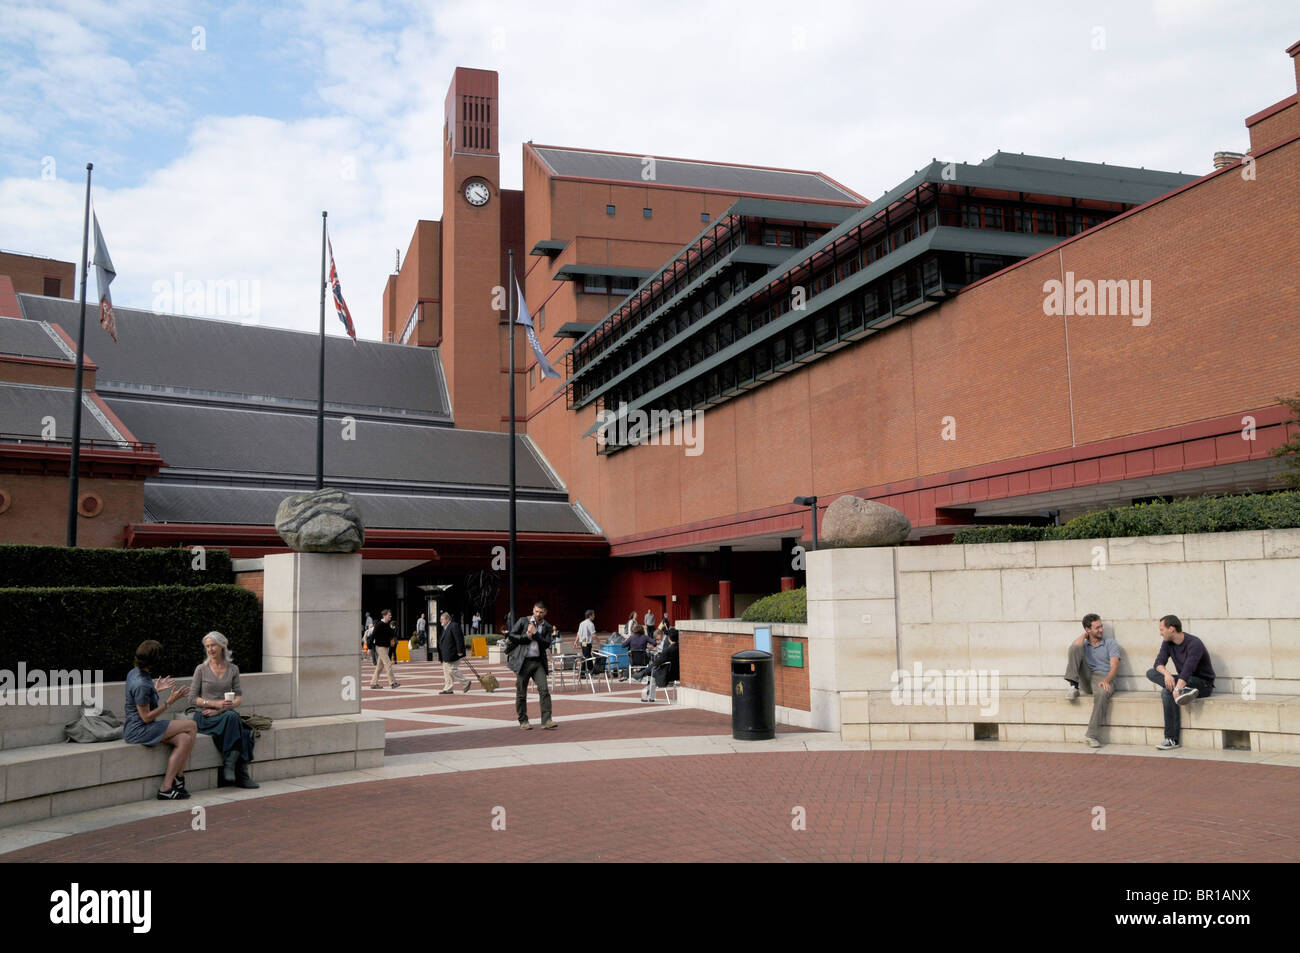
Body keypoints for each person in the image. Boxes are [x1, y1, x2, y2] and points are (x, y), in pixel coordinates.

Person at [123, 639, 197, 800]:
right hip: (139, 731)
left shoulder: (134, 672)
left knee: (184, 738)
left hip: (140, 727)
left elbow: (140, 698)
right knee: (191, 725)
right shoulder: (142, 683)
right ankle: (179, 778)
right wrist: (170, 701)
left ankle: (167, 787)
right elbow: (146, 717)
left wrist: (156, 689)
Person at [189, 631, 258, 788]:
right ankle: (239, 773)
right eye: (207, 646)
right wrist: (215, 704)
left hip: (224, 714)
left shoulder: (233, 669)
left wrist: (228, 706)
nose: (210, 649)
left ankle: (232, 766)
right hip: (205, 716)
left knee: (238, 724)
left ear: (222, 646)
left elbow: (239, 696)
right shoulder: (201, 669)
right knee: (237, 723)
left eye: (213, 645)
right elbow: (192, 698)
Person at [1147, 615, 1215, 751]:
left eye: (1162, 629)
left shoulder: (1194, 643)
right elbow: (1158, 664)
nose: (1160, 633)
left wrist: (1176, 689)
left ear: (1171, 629)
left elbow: (1188, 669)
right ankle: (1185, 691)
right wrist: (1167, 675)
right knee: (1151, 673)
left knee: (1168, 690)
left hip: (1203, 683)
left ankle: (1171, 738)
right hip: (1184, 681)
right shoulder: (1168, 643)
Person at [1063, 612, 1119, 747]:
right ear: (1088, 629)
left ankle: (1091, 735)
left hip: (1104, 677)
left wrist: (1107, 680)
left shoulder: (1110, 643)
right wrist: (1085, 636)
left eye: (1101, 626)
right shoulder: (1084, 644)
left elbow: (1115, 666)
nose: (1101, 630)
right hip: (1087, 677)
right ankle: (1073, 686)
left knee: (1102, 694)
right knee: (1074, 648)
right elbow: (1074, 648)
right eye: (1097, 628)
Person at [505, 600, 558, 730]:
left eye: (541, 612)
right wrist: (526, 636)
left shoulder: (547, 627)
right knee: (521, 693)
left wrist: (536, 634)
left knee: (544, 690)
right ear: (533, 610)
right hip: (523, 662)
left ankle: (547, 720)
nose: (538, 614)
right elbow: (511, 635)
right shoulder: (523, 621)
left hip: (538, 662)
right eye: (536, 611)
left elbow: (546, 644)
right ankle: (523, 721)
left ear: (545, 613)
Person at [641, 627, 680, 703]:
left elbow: (657, 662)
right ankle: (643, 676)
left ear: (669, 638)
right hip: (678, 674)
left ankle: (650, 697)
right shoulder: (681, 648)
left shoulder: (668, 650)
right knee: (653, 670)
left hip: (668, 674)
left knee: (653, 672)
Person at [438, 611, 473, 694]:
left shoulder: (454, 626)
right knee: (447, 672)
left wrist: (460, 651)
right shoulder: (445, 628)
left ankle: (466, 682)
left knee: (452, 670)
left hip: (453, 653)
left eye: (442, 619)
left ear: (447, 619)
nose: (441, 621)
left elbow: (459, 639)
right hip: (446, 654)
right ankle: (448, 688)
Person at [369, 609, 400, 689]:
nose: (390, 616)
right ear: (384, 616)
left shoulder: (387, 625)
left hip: (386, 647)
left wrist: (393, 628)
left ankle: (373, 683)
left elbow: (391, 634)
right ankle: (393, 683)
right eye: (389, 615)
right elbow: (373, 636)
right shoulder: (379, 625)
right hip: (380, 647)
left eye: (390, 615)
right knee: (388, 664)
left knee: (379, 667)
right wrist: (369, 648)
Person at [574, 609, 597, 679]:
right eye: (593, 615)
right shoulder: (590, 624)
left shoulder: (581, 623)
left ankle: (592, 671)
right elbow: (593, 635)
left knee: (588, 656)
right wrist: (599, 641)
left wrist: (575, 641)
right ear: (590, 616)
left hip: (583, 642)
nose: (594, 616)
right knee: (586, 657)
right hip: (587, 642)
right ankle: (582, 673)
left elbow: (578, 633)